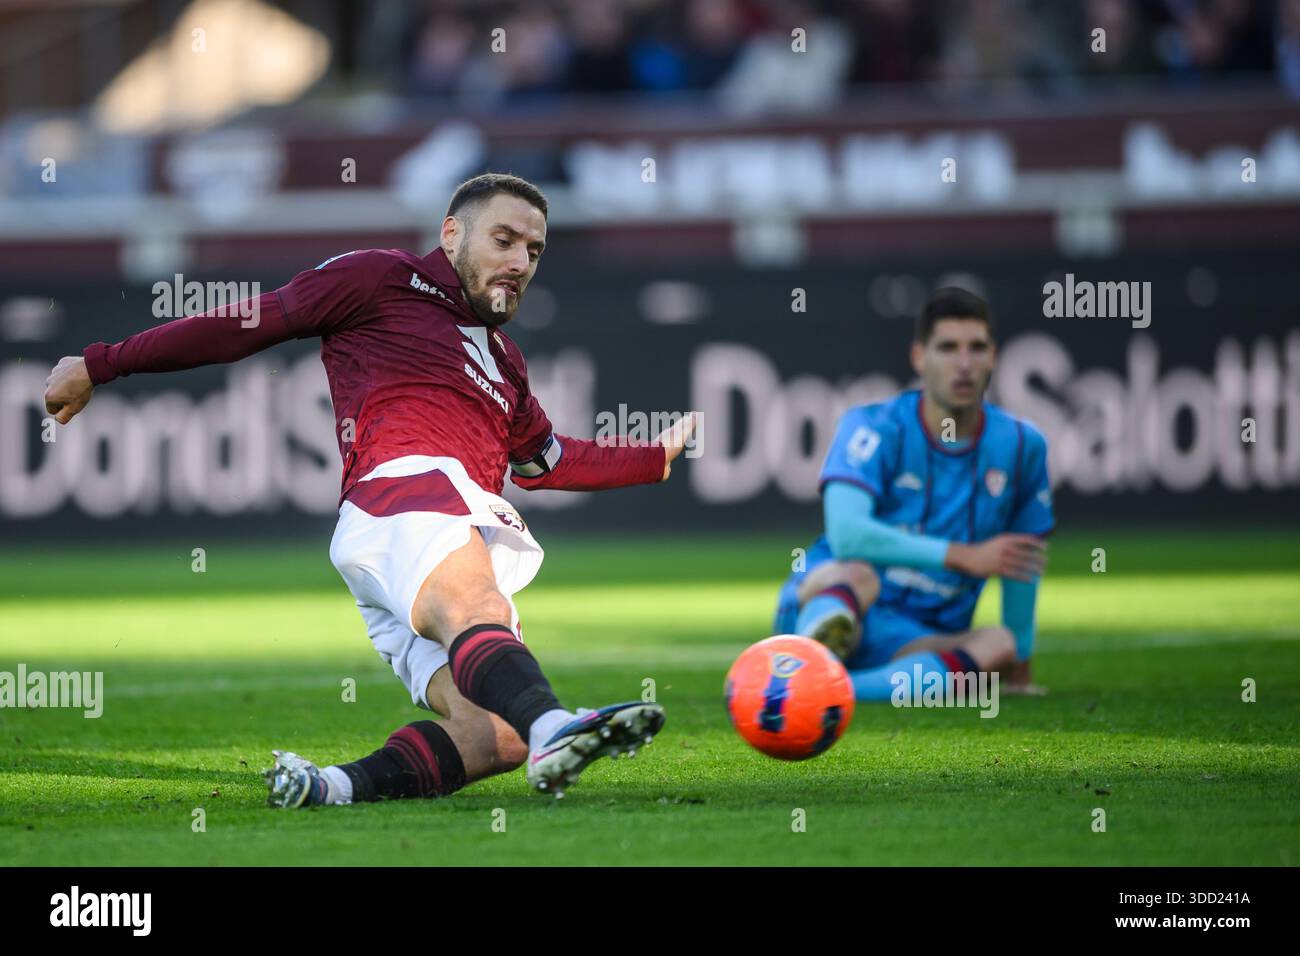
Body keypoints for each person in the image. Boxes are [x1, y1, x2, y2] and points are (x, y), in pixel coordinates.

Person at [44, 173, 697, 803]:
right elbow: (248, 322)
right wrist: (104, 363)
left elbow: (545, 461)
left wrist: (650, 459)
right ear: (451, 236)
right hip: (407, 494)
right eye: (504, 240)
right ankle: (558, 727)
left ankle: (329, 787)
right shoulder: (378, 278)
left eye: (534, 250)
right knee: (485, 624)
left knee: (496, 734)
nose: (521, 262)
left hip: (422, 529)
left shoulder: (504, 361)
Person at [773, 287, 1052, 701]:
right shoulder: (872, 427)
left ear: (993, 357)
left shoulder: (1022, 445)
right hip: (841, 600)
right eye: (947, 348)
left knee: (999, 646)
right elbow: (848, 535)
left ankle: (829, 691)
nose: (963, 365)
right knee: (856, 573)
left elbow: (1021, 560)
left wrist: (1020, 670)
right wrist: (963, 556)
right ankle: (809, 654)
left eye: (976, 348)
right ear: (919, 357)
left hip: (918, 638)